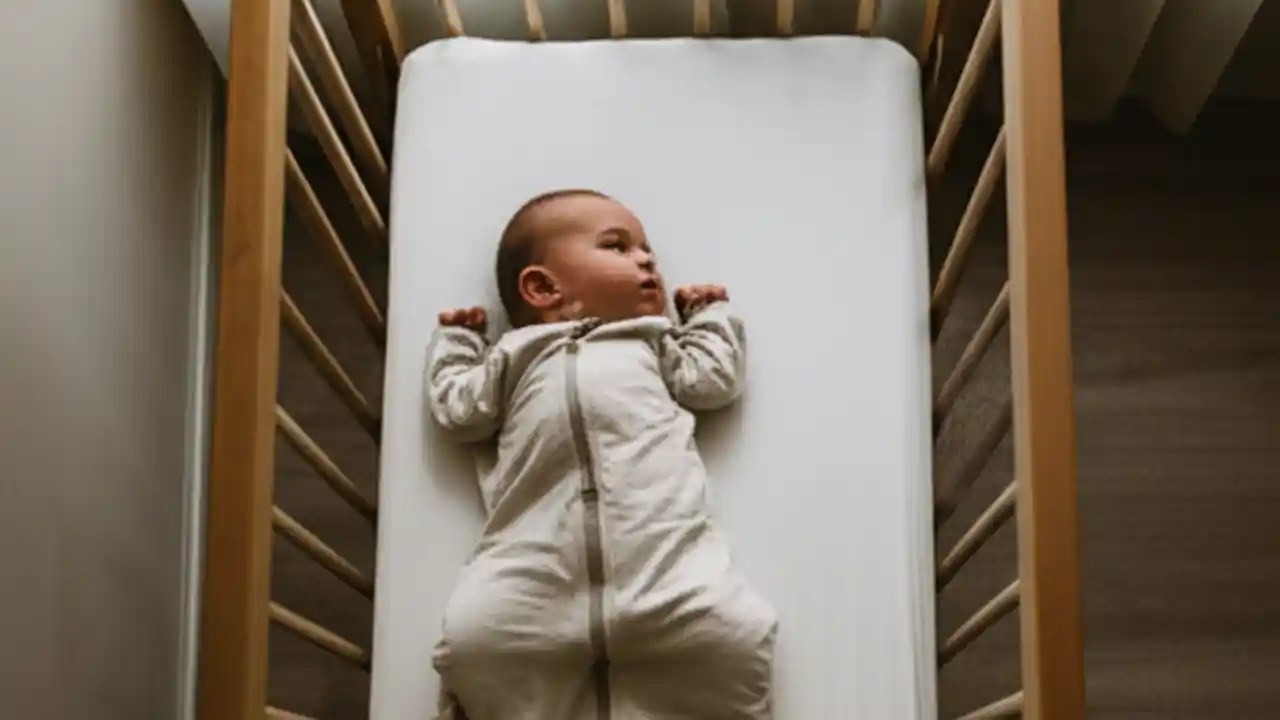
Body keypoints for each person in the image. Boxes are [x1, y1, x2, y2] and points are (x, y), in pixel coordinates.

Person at [428, 189, 777, 719]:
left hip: (665, 562)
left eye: (648, 251)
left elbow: (712, 382)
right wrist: (458, 345)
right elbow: (460, 411)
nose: (647, 260)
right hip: (533, 565)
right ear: (543, 288)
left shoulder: (652, 341)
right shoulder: (515, 355)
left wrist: (709, 318)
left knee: (733, 633)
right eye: (618, 246)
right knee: (476, 639)